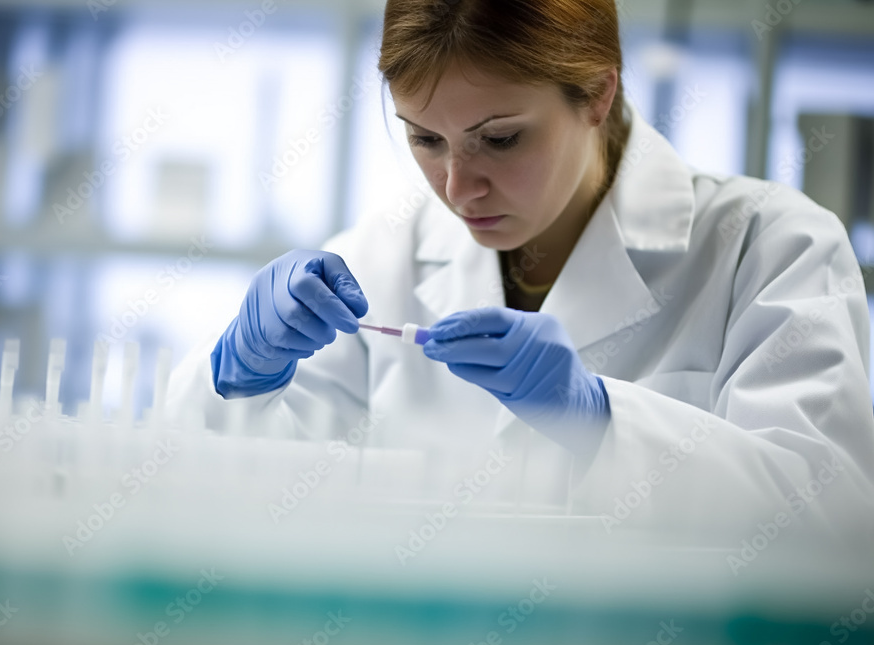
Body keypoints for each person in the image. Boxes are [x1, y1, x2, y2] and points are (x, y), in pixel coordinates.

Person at [168, 0, 874, 544]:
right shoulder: (384, 256)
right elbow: (235, 495)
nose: (457, 188)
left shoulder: (768, 246)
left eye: (500, 139)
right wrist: (240, 380)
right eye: (425, 138)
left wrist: (603, 421)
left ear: (597, 94)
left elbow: (830, 524)